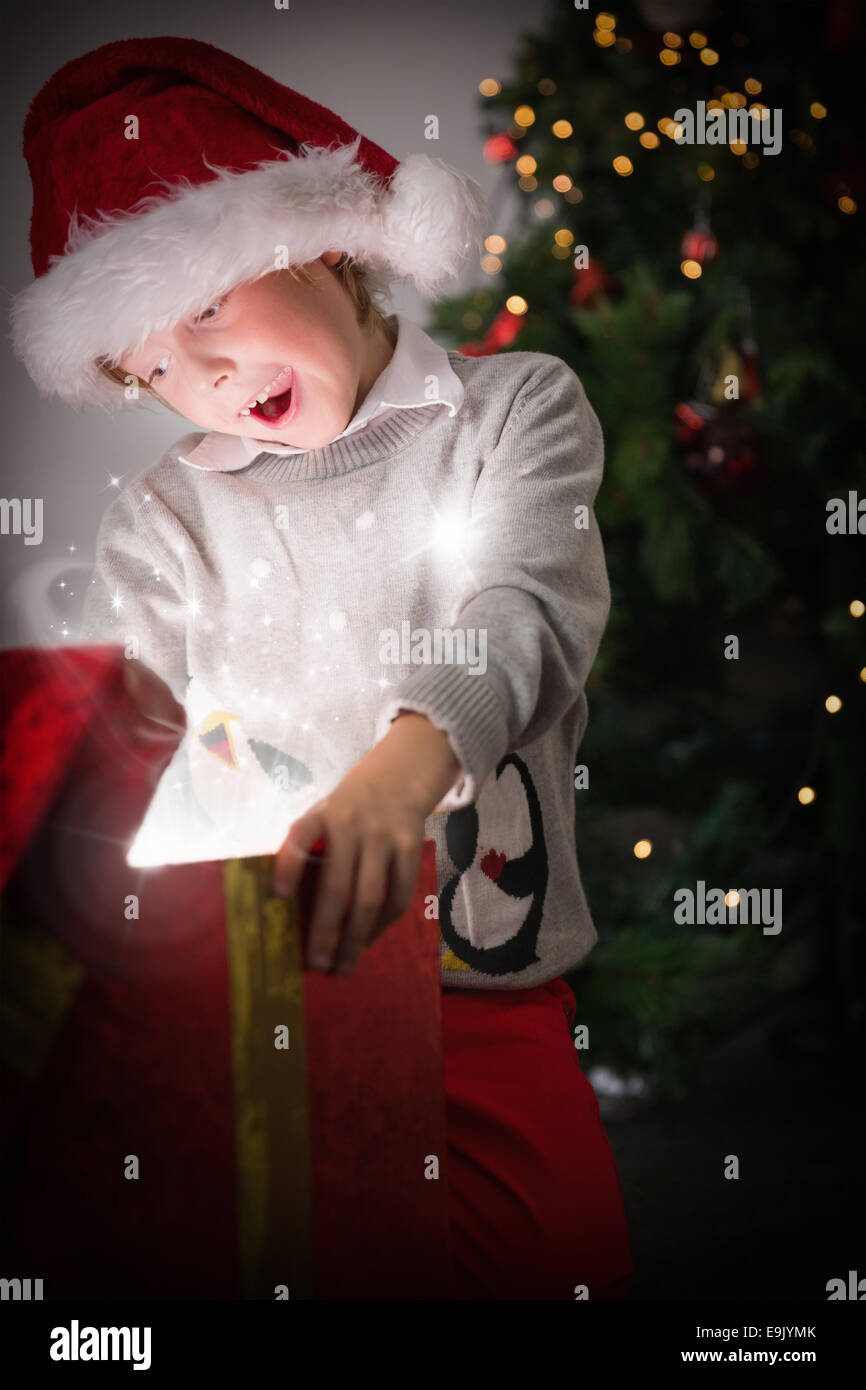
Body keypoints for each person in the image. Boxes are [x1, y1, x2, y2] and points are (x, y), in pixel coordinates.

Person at [10, 35, 633, 1300]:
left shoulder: (515, 410)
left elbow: (526, 612)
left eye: (205, 307)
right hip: (263, 1001)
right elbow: (134, 755)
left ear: (328, 240)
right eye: (151, 364)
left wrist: (400, 778)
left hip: (483, 998)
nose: (206, 376)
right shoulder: (166, 521)